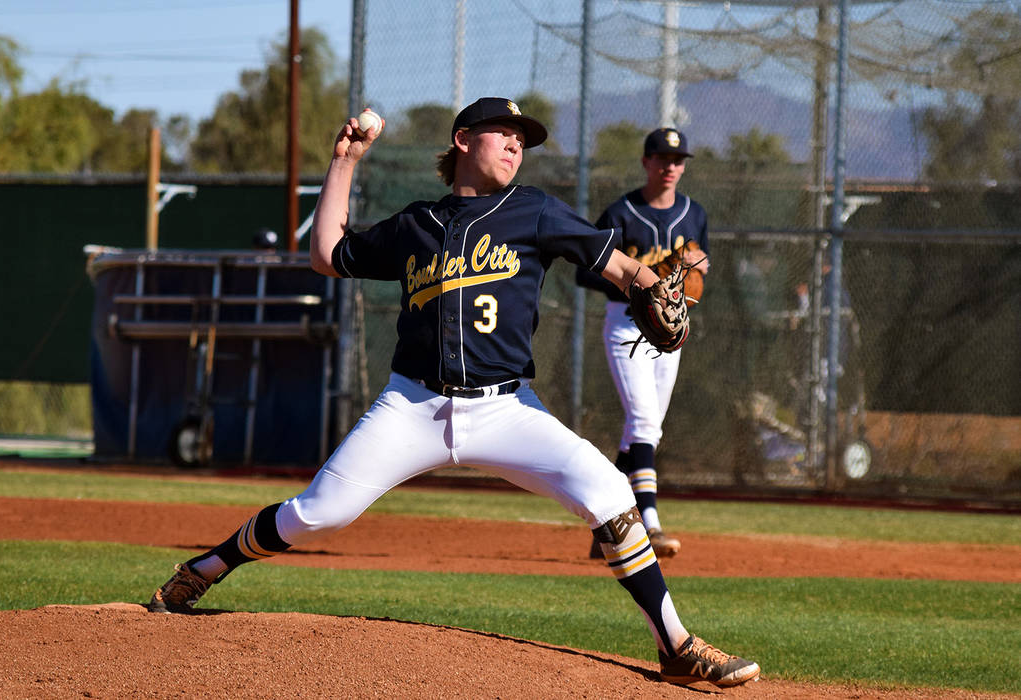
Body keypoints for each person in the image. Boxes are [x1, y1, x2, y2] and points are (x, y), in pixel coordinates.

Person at [145, 98, 759, 689]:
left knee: (610, 491)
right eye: (503, 132)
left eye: (525, 139)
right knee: (318, 514)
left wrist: (657, 289)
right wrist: (344, 161)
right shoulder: (417, 224)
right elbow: (328, 254)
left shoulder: (537, 212)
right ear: (464, 141)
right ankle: (207, 568)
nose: (517, 144)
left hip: (506, 410)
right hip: (412, 405)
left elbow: (623, 269)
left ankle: (675, 646)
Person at [576, 127, 710, 560]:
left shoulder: (694, 214)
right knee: (645, 420)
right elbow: (585, 271)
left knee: (643, 429)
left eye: (678, 159)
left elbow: (701, 273)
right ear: (646, 162)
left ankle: (605, 529)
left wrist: (691, 270)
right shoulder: (621, 212)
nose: (671, 166)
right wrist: (643, 281)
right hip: (626, 324)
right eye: (662, 158)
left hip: (670, 329)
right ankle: (649, 523)